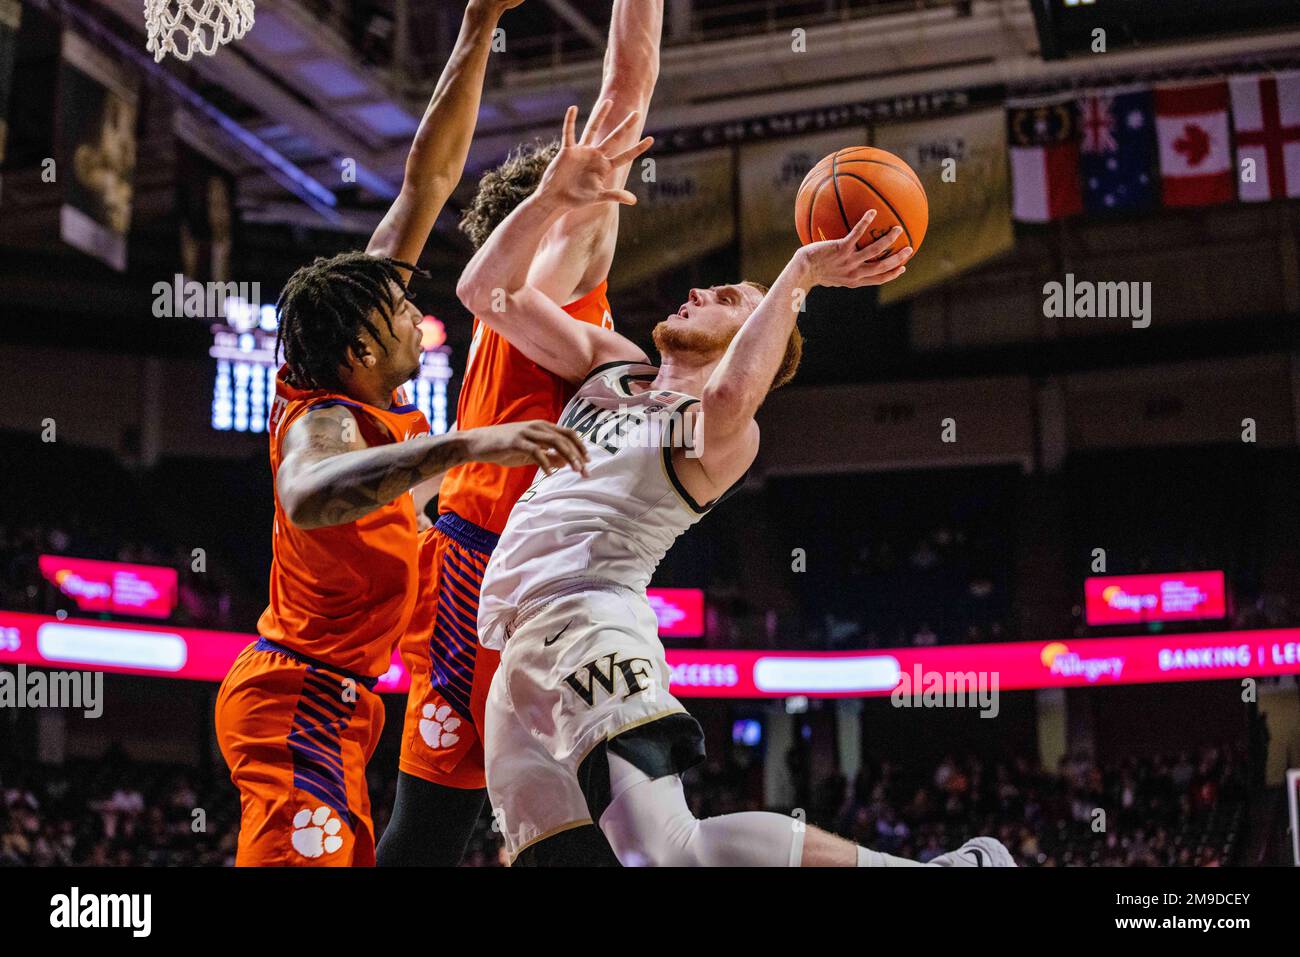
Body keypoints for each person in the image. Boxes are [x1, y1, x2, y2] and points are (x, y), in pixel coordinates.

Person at [457, 105, 1015, 867]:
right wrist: (551, 195)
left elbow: (729, 398)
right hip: (518, 643)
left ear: (758, 340)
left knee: (668, 850)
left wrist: (801, 273)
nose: (700, 292)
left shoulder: (720, 432)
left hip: (588, 616)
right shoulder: (612, 363)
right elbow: (482, 293)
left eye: (727, 298)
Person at [213, 0, 589, 867]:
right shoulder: (323, 421)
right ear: (357, 350)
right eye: (401, 315)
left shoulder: (352, 368)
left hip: (337, 700)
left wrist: (477, 22)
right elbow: (308, 495)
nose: (416, 315)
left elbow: (427, 180)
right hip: (293, 697)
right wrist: (465, 445)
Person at [378, 0, 665, 867]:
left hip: (479, 553)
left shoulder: (534, 301)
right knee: (567, 811)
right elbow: (628, 87)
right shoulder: (562, 256)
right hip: (500, 563)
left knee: (450, 819)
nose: (614, 196)